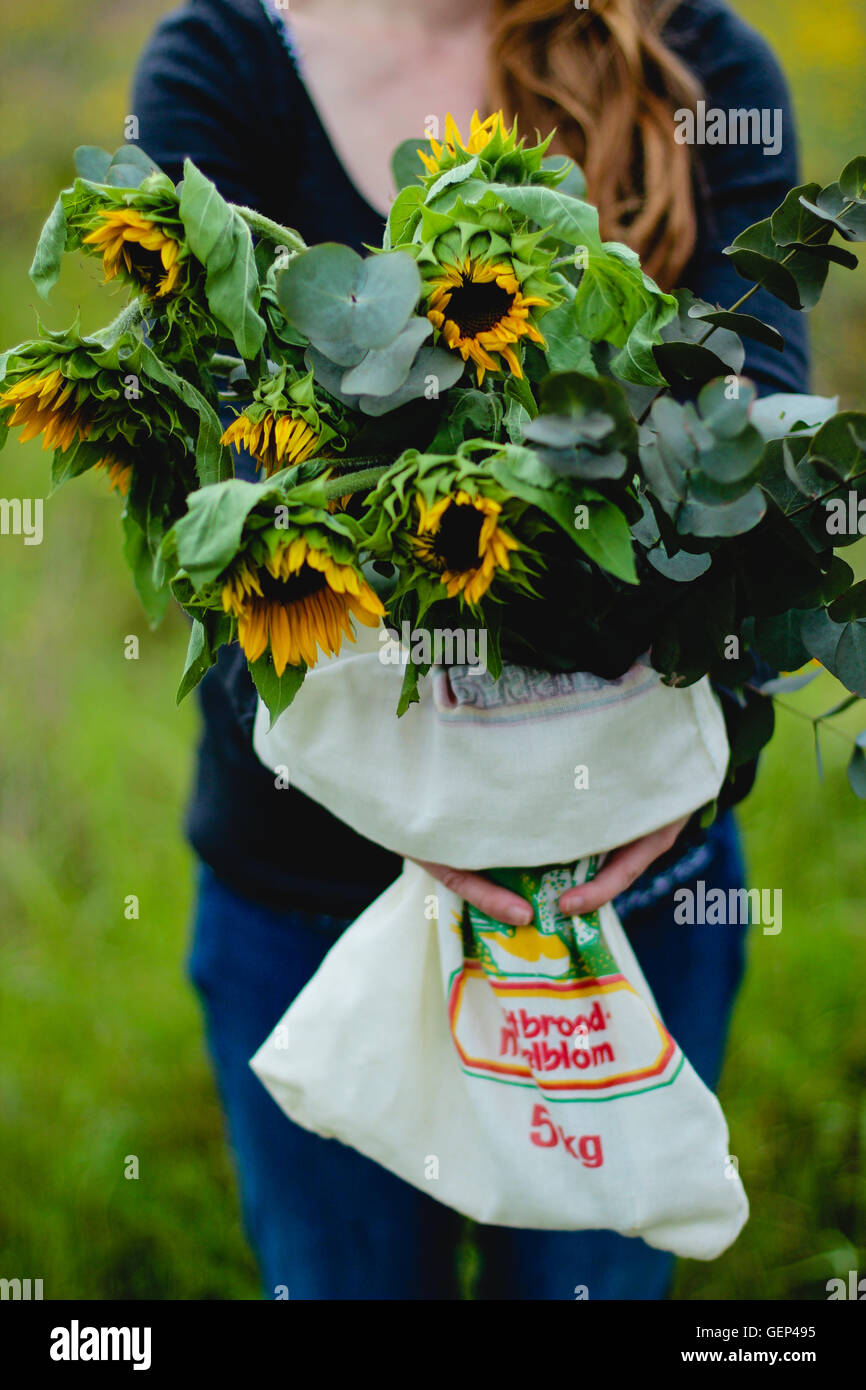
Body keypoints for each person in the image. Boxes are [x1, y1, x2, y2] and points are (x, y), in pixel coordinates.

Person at [131, 0, 808, 1299]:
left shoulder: (697, 64)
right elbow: (215, 501)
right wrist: (389, 787)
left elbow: (760, 468)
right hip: (310, 891)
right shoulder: (221, 65)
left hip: (620, 893)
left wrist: (676, 782)